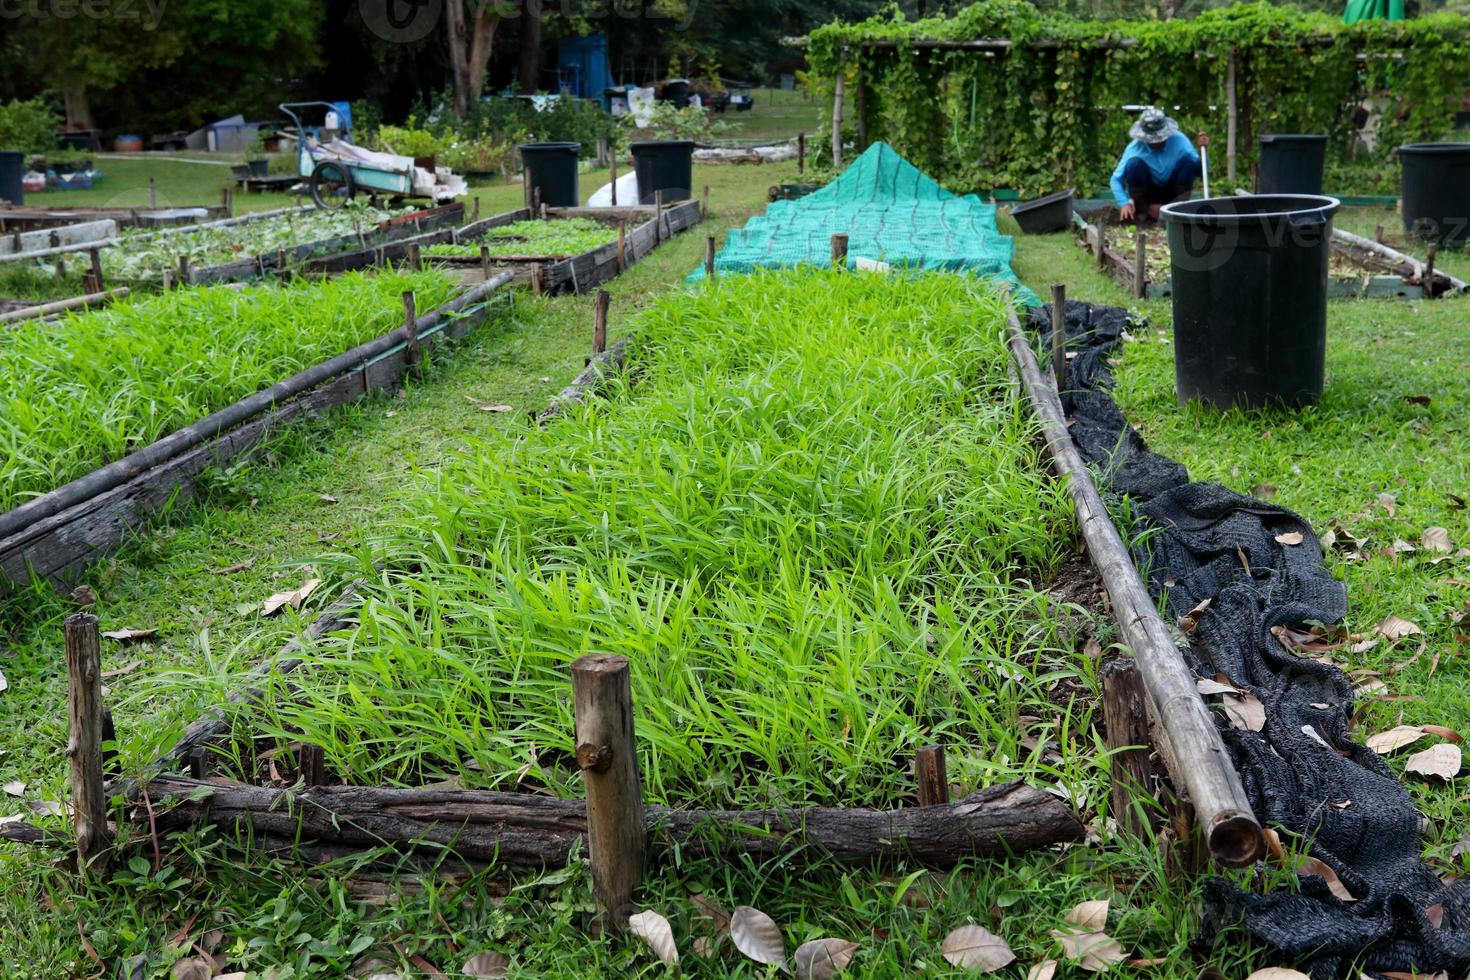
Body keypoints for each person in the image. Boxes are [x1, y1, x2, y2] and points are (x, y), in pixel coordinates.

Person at [1110, 107, 1208, 222]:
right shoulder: (1134, 148)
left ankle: (1178, 211)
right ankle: (1142, 214)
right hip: (1147, 194)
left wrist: (1203, 152)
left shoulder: (1180, 141)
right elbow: (1115, 179)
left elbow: (1200, 171)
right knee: (1134, 164)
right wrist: (1124, 203)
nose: (1156, 143)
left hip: (1174, 192)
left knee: (1189, 162)